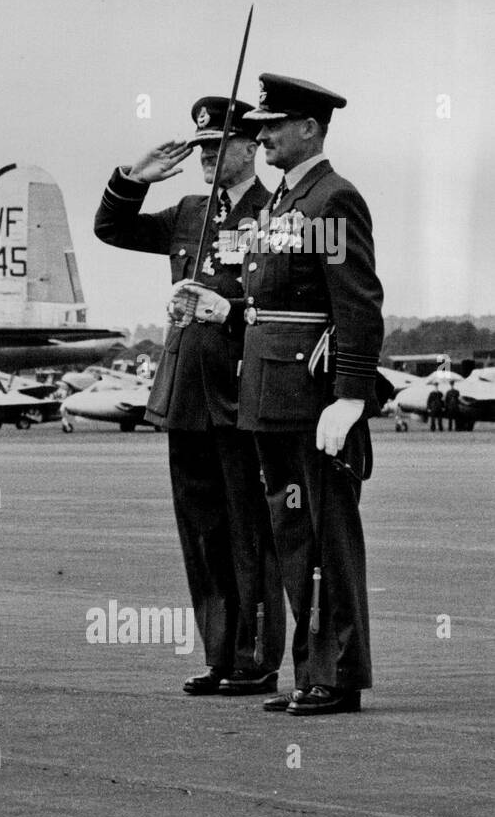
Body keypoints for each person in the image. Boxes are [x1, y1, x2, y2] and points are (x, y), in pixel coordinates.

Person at [95, 96, 285, 697]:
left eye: (217, 145)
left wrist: (231, 309)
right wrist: (133, 179)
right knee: (202, 533)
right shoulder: (188, 212)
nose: (206, 155)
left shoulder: (275, 212)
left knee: (248, 531)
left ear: (250, 147)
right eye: (201, 146)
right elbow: (112, 229)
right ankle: (220, 654)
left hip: (241, 390)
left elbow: (287, 301)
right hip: (186, 395)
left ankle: (256, 659)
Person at [212, 73, 384, 717]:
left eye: (274, 125)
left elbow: (357, 303)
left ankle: (339, 675)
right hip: (271, 394)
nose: (263, 136)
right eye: (259, 127)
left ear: (310, 128)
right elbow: (268, 301)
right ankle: (312, 670)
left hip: (313, 400)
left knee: (327, 535)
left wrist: (351, 396)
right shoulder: (284, 202)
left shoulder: (332, 199)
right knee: (293, 537)